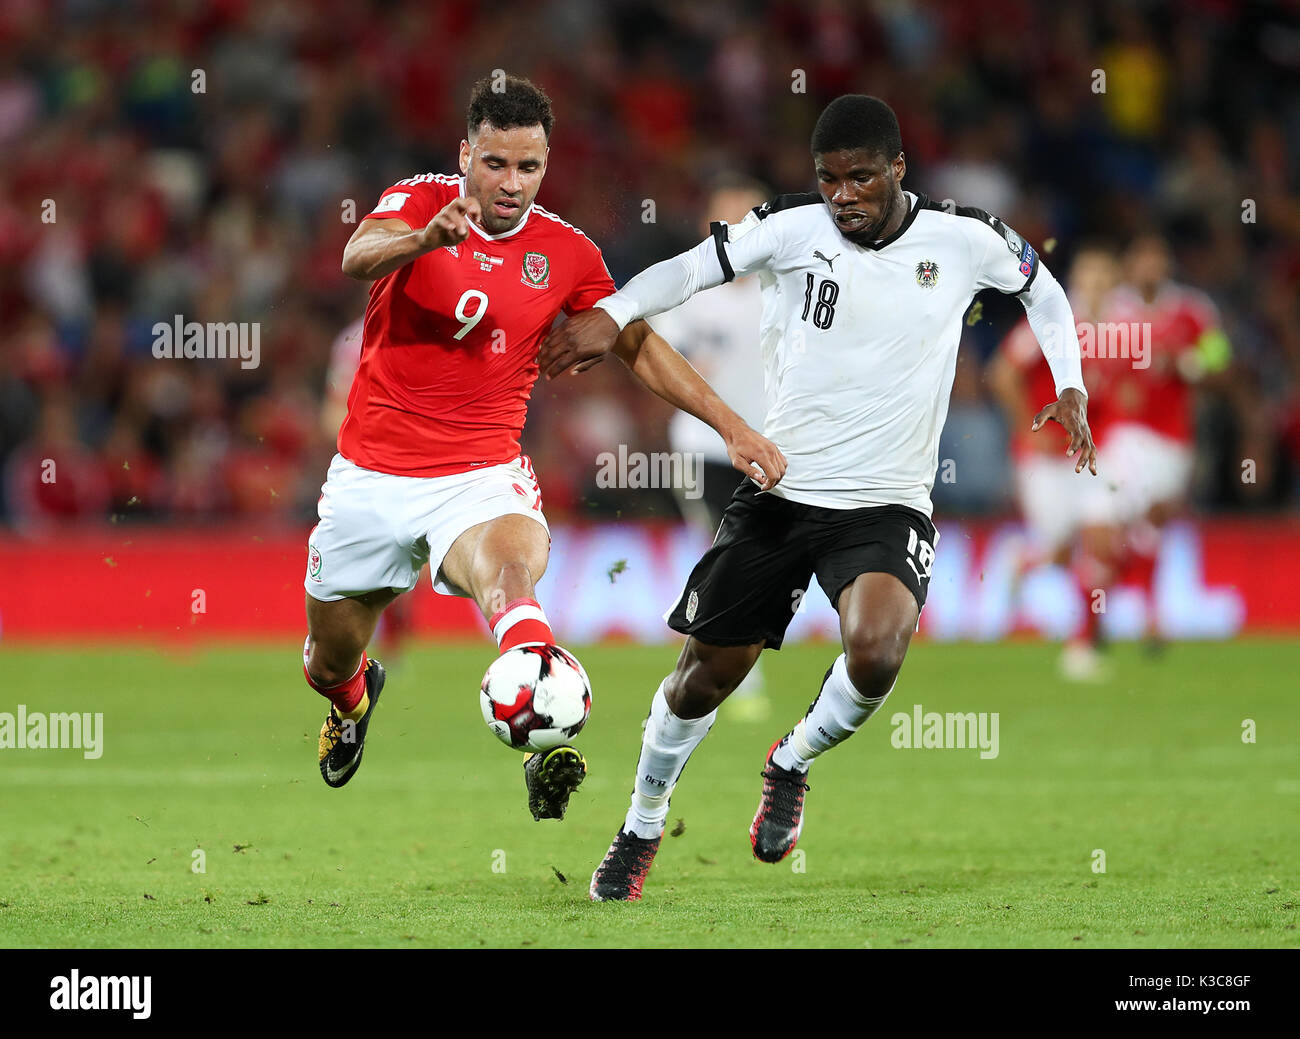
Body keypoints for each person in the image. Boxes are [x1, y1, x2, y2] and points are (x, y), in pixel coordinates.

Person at [541, 94, 1096, 901]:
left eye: (861, 179)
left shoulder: (964, 237)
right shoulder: (792, 228)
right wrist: (614, 312)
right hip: (781, 490)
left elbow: (1043, 289)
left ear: (898, 170)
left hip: (887, 502)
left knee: (875, 650)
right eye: (830, 179)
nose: (844, 196)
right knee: (702, 679)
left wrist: (1070, 382)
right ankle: (642, 824)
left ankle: (790, 759)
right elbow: (689, 269)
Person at [305, 74, 785, 823]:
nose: (511, 183)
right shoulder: (420, 199)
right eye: (495, 163)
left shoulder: (565, 252)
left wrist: (732, 426)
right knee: (328, 658)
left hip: (480, 475)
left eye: (529, 167)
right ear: (466, 153)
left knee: (508, 579)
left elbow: (640, 345)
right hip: (370, 474)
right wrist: (424, 240)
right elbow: (357, 254)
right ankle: (354, 699)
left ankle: (546, 741)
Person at [649, 174, 772, 720]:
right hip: (702, 446)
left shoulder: (787, 290)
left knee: (756, 558)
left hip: (768, 448)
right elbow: (654, 355)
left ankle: (716, 657)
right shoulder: (687, 290)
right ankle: (730, 674)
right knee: (725, 551)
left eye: (744, 222)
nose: (733, 234)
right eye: (724, 222)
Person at [988, 242, 1121, 680]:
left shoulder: (1124, 330)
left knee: (1101, 542)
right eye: (1090, 274)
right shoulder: (1055, 320)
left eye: (1105, 274)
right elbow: (1001, 373)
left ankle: (1082, 646)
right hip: (1045, 458)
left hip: (1092, 457)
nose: (1098, 283)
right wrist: (1028, 427)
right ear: (1077, 280)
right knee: (1062, 551)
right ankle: (1024, 562)